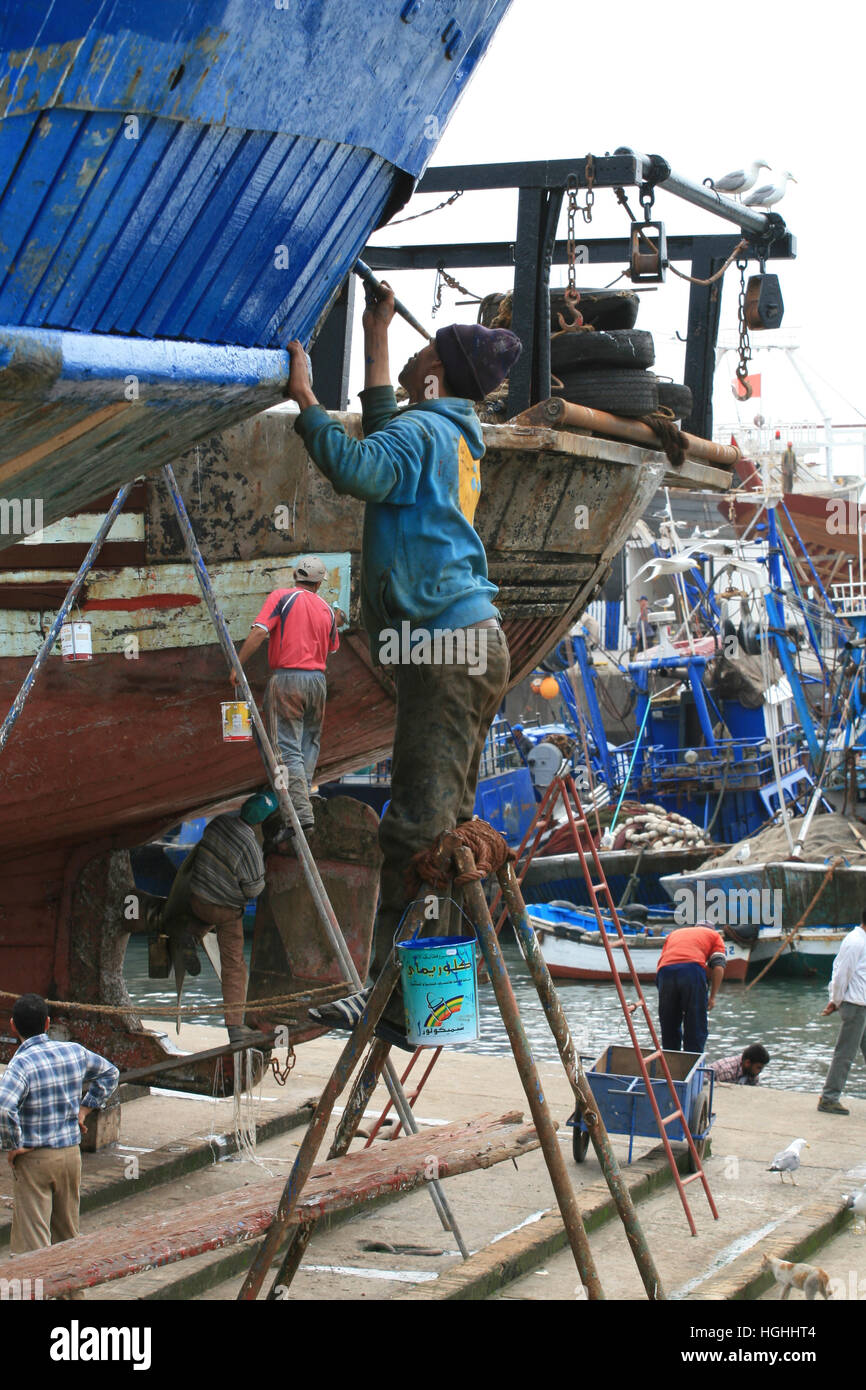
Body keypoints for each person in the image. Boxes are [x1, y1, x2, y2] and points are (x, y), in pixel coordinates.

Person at [284, 283, 521, 1045]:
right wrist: (376, 332)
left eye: (422, 352)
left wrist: (306, 404)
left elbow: (356, 464)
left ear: (438, 376)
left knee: (413, 834)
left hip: (446, 652)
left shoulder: (421, 438)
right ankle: (439, 996)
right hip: (474, 644)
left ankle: (393, 1007)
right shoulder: (450, 433)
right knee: (446, 828)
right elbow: (388, 421)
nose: (414, 356)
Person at [0, 993, 118, 1277]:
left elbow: (4, 1108)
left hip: (35, 1159)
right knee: (68, 1240)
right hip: (70, 1157)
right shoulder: (74, 1052)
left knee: (33, 1249)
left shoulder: (21, 1063)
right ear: (48, 1023)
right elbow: (110, 1074)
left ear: (13, 1026)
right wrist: (85, 1109)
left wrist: (13, 1145)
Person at [233, 557, 342, 833]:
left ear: (295, 575)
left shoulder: (282, 598)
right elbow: (331, 648)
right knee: (309, 744)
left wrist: (237, 664)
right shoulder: (327, 610)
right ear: (318, 583)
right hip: (317, 682)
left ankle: (302, 817)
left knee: (286, 749)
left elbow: (259, 633)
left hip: (287, 680)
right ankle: (300, 806)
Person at [144, 800, 267, 1044]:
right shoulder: (250, 845)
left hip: (198, 898)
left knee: (204, 914)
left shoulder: (220, 823)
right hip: (224, 910)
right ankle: (235, 1028)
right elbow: (253, 889)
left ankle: (189, 934)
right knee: (234, 964)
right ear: (260, 822)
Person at [817, 911, 866, 1115]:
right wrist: (835, 1001)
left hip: (860, 1004)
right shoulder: (855, 942)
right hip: (854, 1005)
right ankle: (829, 1097)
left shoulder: (860, 941)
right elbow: (841, 974)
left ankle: (829, 1096)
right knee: (845, 1053)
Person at [655, 922, 727, 1053]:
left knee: (669, 1025)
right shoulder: (714, 935)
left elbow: (664, 962)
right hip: (691, 970)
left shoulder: (674, 934)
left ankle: (671, 1065)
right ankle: (693, 1065)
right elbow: (718, 967)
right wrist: (712, 998)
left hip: (664, 972)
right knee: (695, 1025)